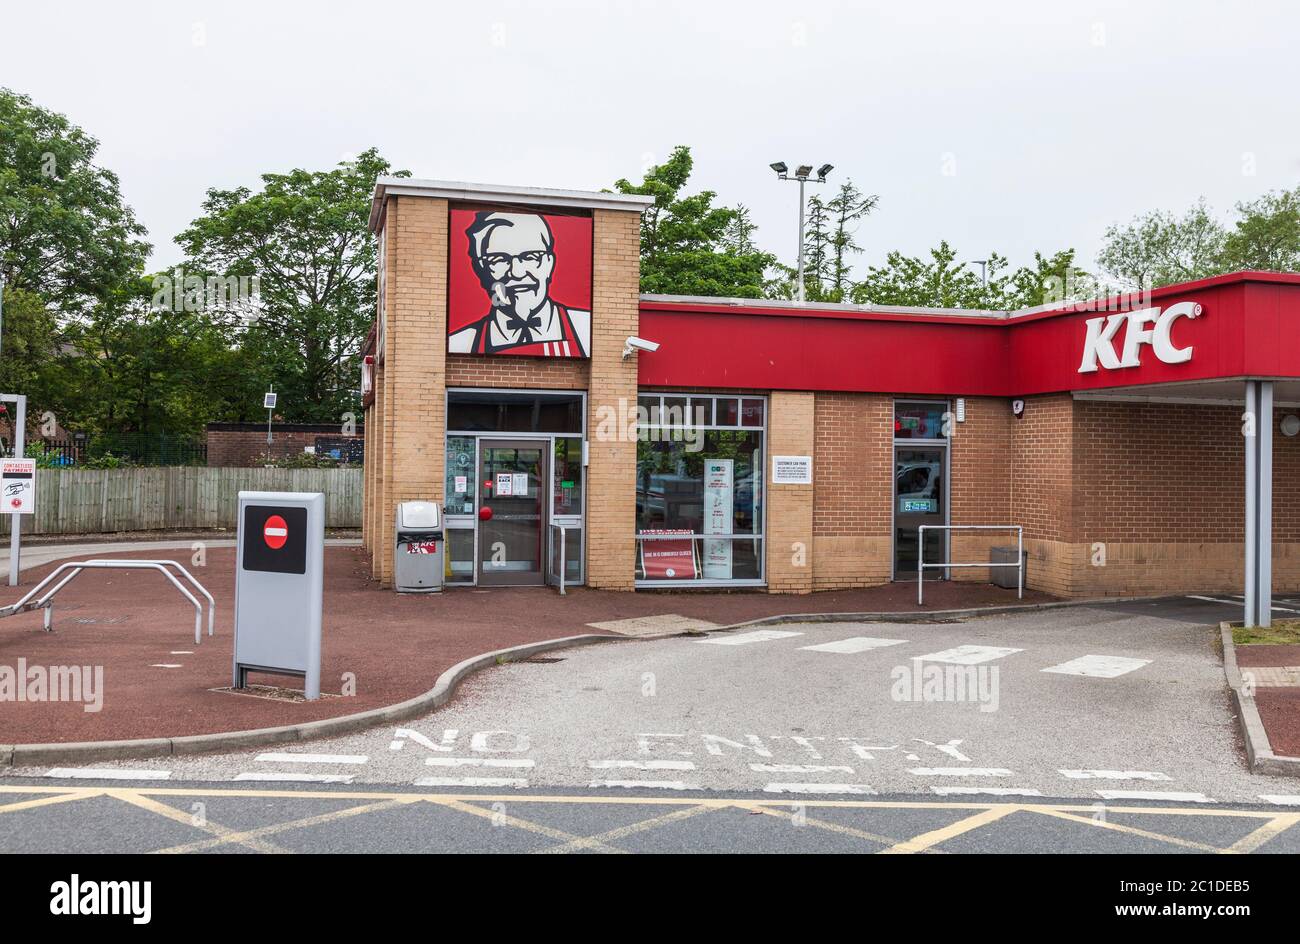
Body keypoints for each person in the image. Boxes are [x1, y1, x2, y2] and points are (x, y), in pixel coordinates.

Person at [448, 211, 591, 357]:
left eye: (530, 257)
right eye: (498, 260)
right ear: (480, 270)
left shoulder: (586, 328)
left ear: (549, 264)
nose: (517, 273)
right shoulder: (462, 341)